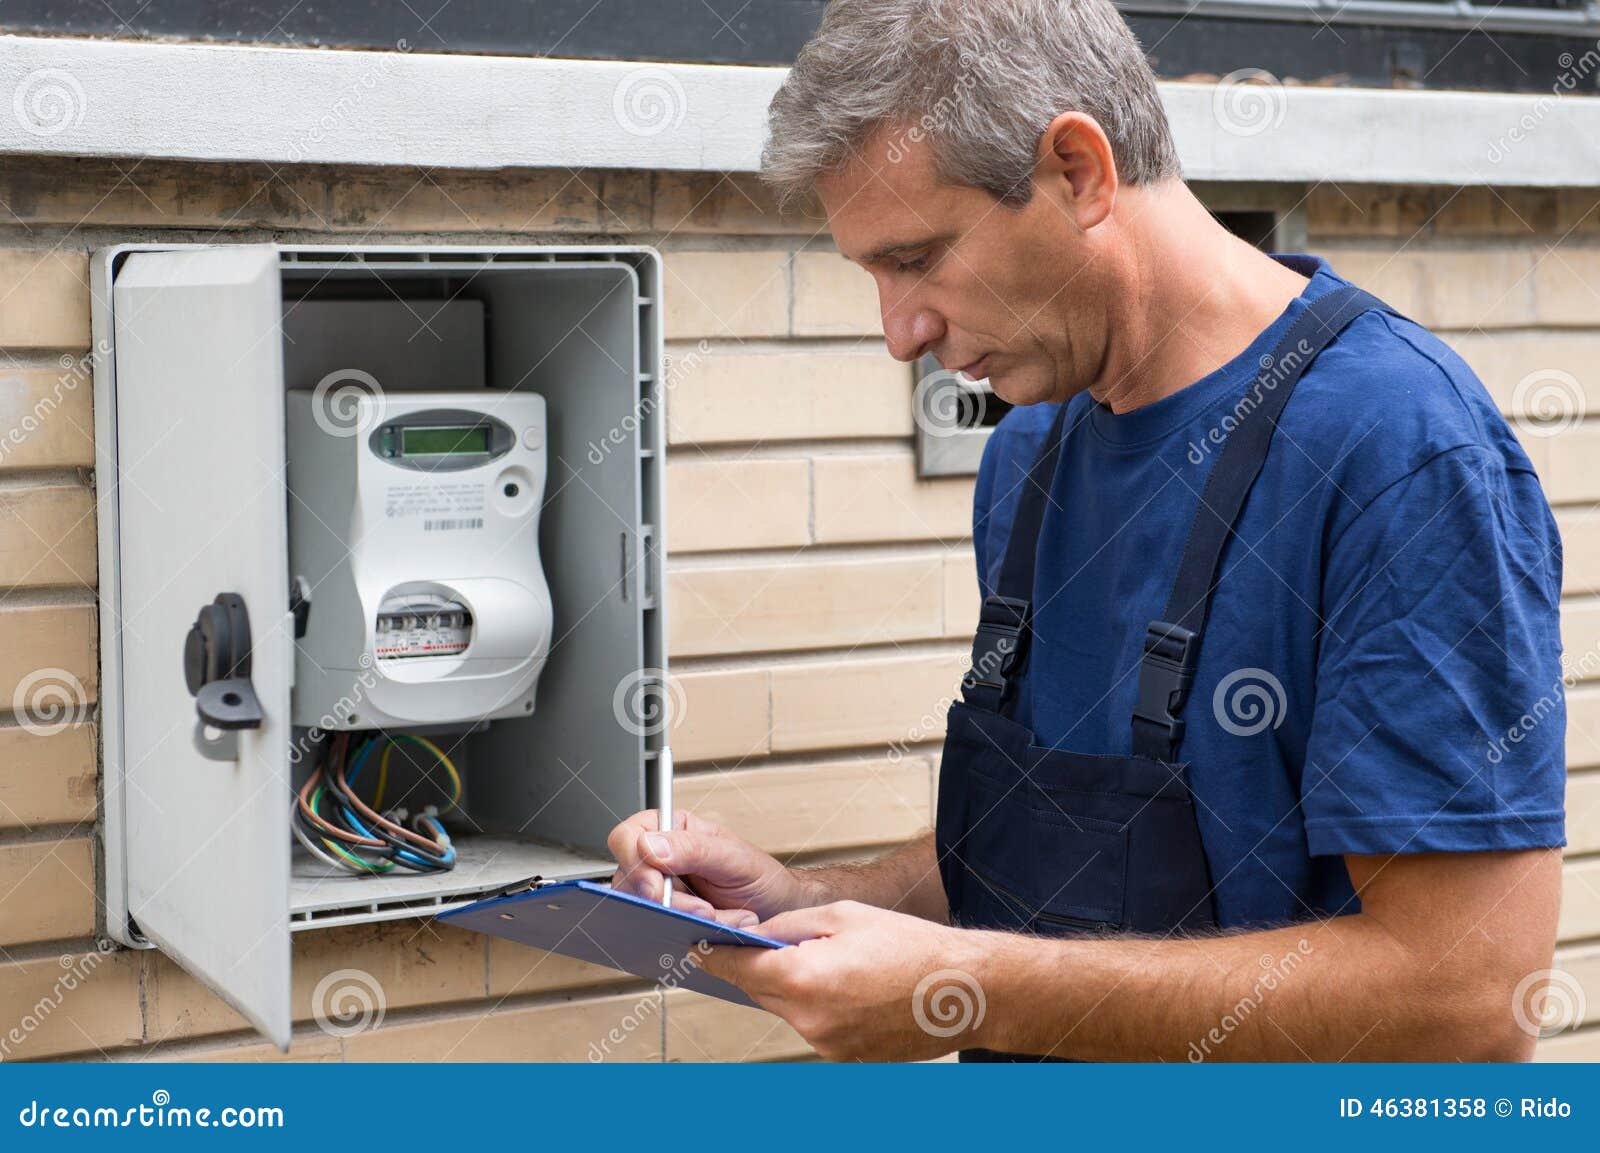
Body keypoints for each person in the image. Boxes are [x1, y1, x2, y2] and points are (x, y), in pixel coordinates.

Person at [609, 0, 1567, 1061]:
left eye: (918, 259)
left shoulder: (1396, 448)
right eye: (873, 274)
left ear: (1077, 169)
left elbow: (1468, 998)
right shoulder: (1033, 451)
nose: (899, 333)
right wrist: (808, 900)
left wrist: (970, 985)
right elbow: (1071, 855)